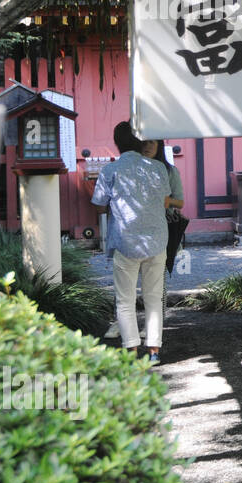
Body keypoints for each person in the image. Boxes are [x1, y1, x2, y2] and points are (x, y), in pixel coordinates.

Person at [91, 122, 171, 364]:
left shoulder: (110, 170)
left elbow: (98, 203)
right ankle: (154, 352)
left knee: (124, 299)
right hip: (157, 238)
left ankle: (131, 350)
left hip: (125, 241)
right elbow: (165, 199)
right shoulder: (158, 168)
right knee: (154, 297)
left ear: (118, 142)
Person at [147, 139, 185, 323]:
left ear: (159, 146)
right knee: (128, 281)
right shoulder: (134, 170)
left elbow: (180, 202)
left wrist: (165, 201)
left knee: (157, 280)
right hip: (135, 231)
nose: (147, 146)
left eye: (152, 143)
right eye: (143, 143)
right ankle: (121, 323)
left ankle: (157, 321)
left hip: (161, 229)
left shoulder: (170, 171)